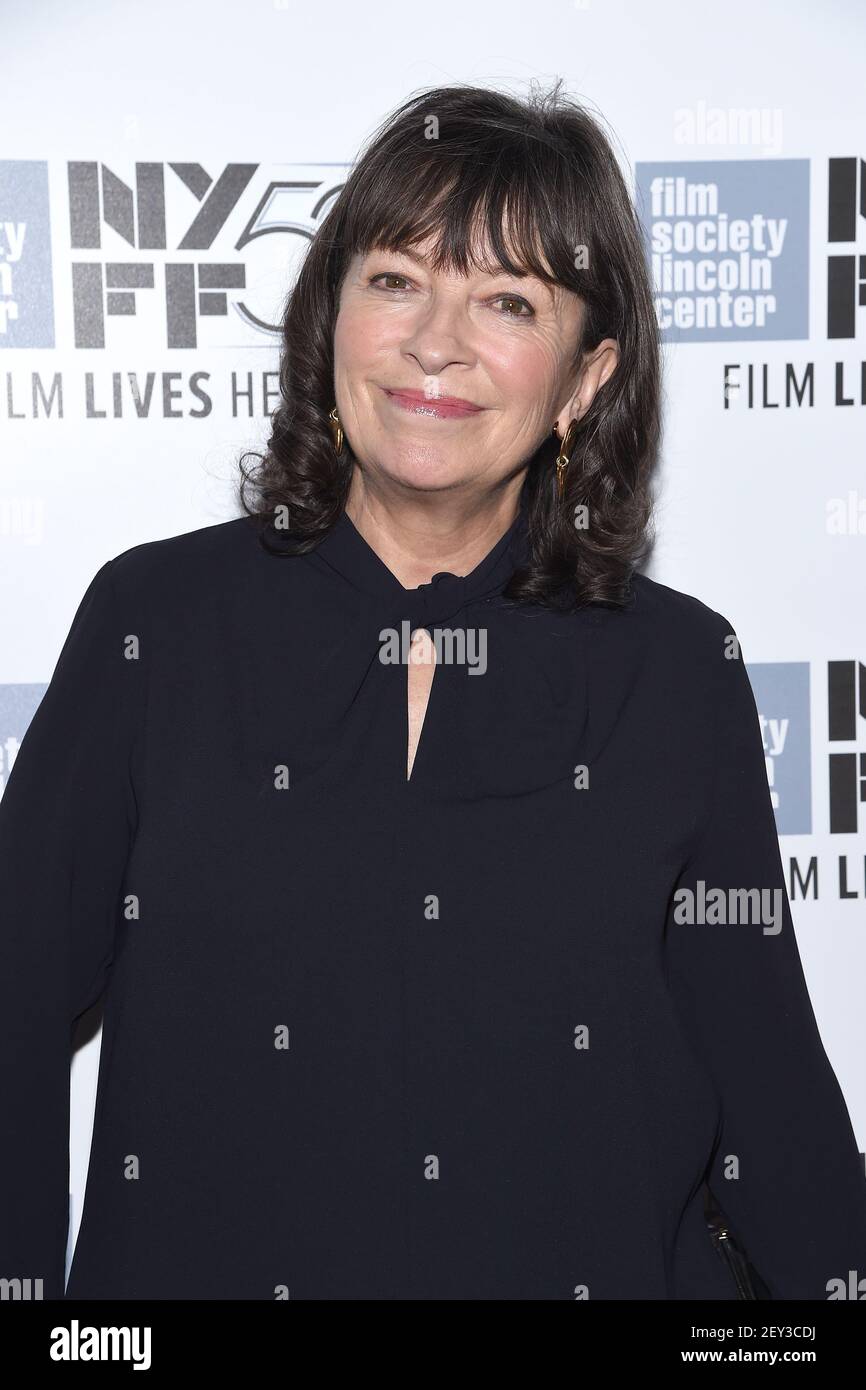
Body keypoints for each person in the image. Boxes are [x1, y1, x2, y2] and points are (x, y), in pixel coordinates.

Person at [2, 81, 865, 1301]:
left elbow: (768, 1094)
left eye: (506, 301)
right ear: (329, 316)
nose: (435, 342)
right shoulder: (157, 624)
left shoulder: (676, 673)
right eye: (397, 279)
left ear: (583, 377)